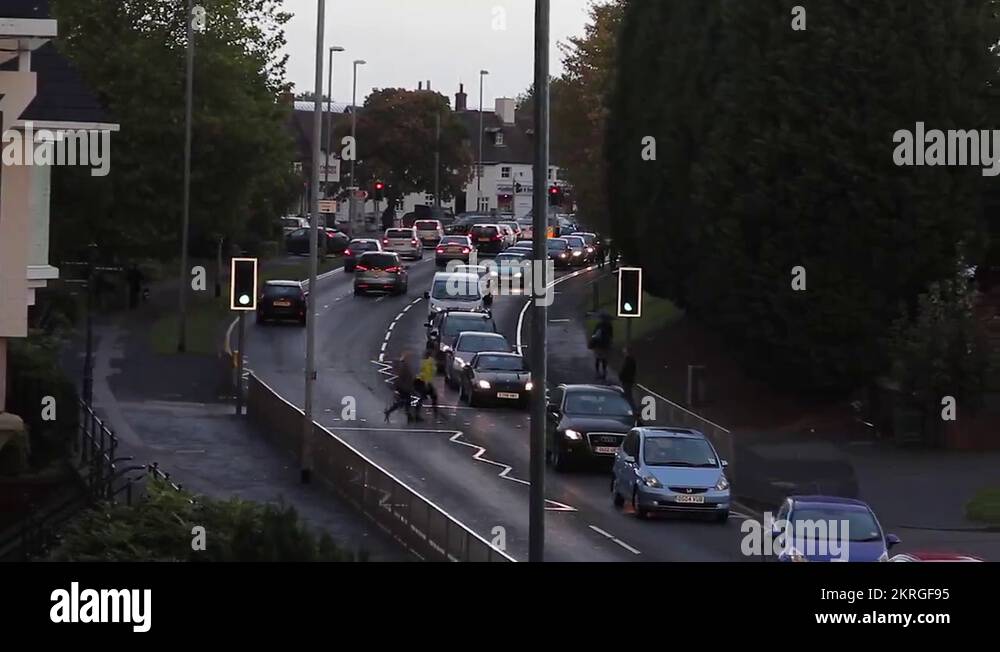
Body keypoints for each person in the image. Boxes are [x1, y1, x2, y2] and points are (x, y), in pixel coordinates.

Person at [385, 351, 417, 422]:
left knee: (405, 402)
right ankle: (408, 416)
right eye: (410, 358)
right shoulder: (404, 367)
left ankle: (390, 412)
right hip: (403, 387)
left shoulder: (406, 366)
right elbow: (402, 378)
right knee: (405, 401)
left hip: (404, 387)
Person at [414, 349, 439, 417]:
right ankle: (417, 413)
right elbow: (427, 374)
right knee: (427, 396)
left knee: (431, 396)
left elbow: (430, 373)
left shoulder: (429, 361)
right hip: (422, 381)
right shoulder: (427, 363)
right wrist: (427, 384)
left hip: (423, 381)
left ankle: (435, 412)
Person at [590, 313, 613, 381]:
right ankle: (604, 372)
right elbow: (611, 335)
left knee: (597, 359)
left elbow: (594, 334)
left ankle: (597, 372)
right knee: (604, 359)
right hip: (605, 345)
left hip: (598, 345)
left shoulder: (599, 325)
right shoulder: (609, 325)